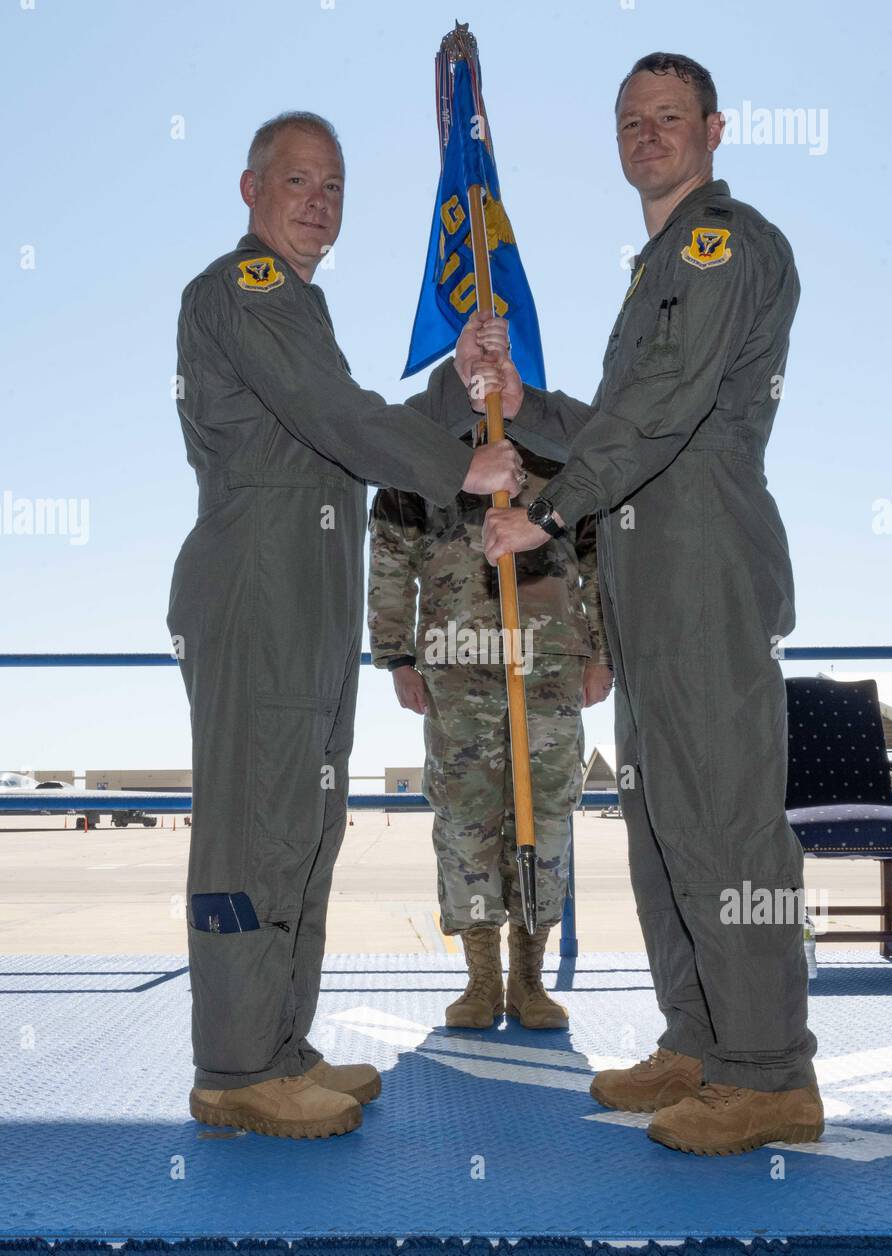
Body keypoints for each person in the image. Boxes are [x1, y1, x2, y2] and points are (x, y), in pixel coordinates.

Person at [444, 53, 822, 1156]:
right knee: (661, 826)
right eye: (629, 121)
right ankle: (699, 1042)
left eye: (667, 118)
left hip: (703, 570)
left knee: (724, 821)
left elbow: (661, 407)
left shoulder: (720, 242)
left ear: (712, 129)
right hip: (649, 581)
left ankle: (768, 1073)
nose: (646, 135)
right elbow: (619, 417)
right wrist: (524, 404)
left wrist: (547, 514)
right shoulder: (652, 263)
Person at [167, 111, 523, 1140]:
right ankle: (235, 1066)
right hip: (257, 592)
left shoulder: (298, 311)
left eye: (333, 186)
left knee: (302, 828)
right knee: (252, 828)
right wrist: (462, 465)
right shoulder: (247, 289)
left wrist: (452, 392)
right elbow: (339, 422)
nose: (317, 200)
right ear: (250, 190)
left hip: (308, 595)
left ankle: (278, 1043)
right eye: (297, 180)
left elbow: (343, 421)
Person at [368, 427, 613, 1030]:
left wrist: (605, 653)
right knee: (464, 817)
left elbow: (598, 562)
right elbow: (391, 559)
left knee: (547, 816)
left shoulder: (561, 460)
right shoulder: (421, 461)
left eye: (501, 347)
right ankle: (481, 980)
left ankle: (530, 980)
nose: (489, 363)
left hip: (551, 663)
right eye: (476, 343)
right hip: (457, 665)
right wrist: (397, 657)